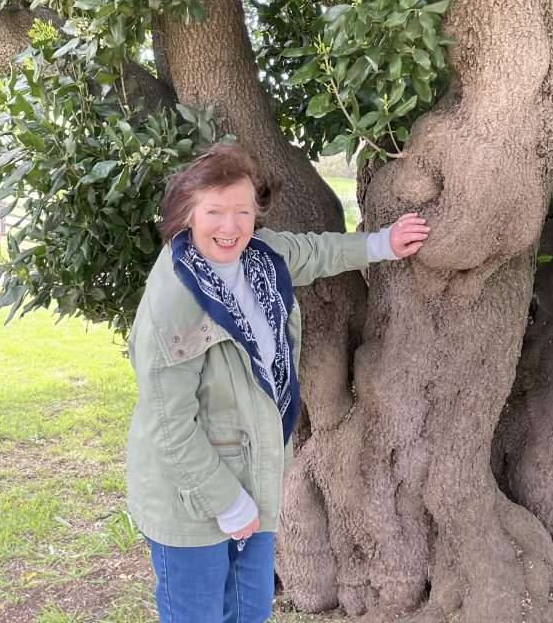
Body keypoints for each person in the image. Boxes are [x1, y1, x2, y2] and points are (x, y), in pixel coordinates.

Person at [126, 142, 430, 623]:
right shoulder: (174, 300)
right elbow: (169, 426)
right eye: (215, 212)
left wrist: (382, 244)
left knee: (249, 613)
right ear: (187, 214)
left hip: (255, 477)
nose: (230, 227)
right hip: (188, 499)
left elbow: (315, 251)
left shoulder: (262, 259)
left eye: (242, 212)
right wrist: (227, 503)